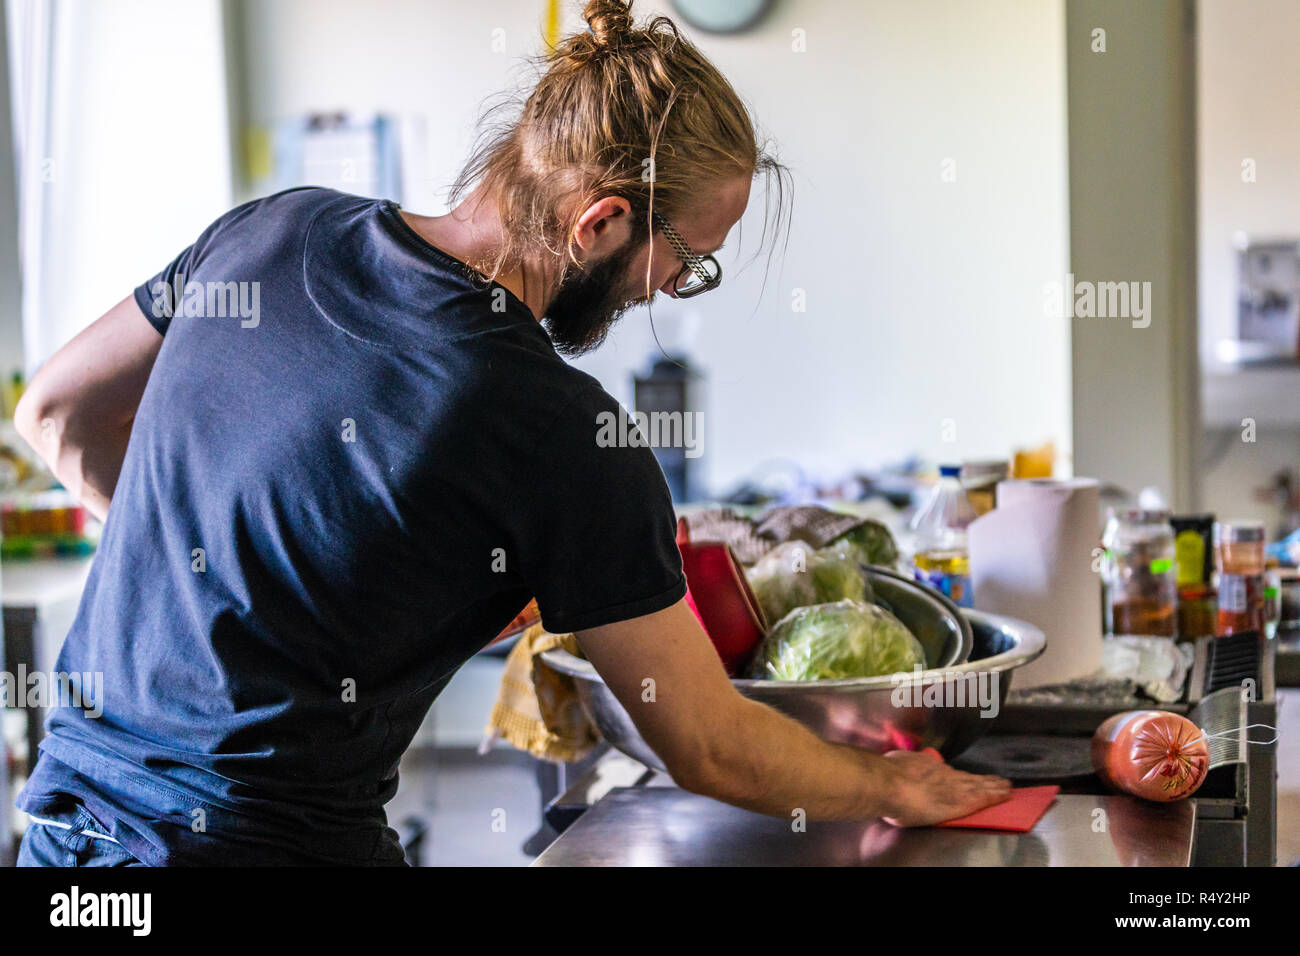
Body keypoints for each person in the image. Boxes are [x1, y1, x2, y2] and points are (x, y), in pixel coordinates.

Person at [13, 0, 1009, 866]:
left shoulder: (273, 228)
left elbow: (54, 412)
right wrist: (897, 785)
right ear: (603, 223)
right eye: (689, 259)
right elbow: (707, 741)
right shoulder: (558, 430)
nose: (671, 288)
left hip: (63, 833)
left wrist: (196, 551)